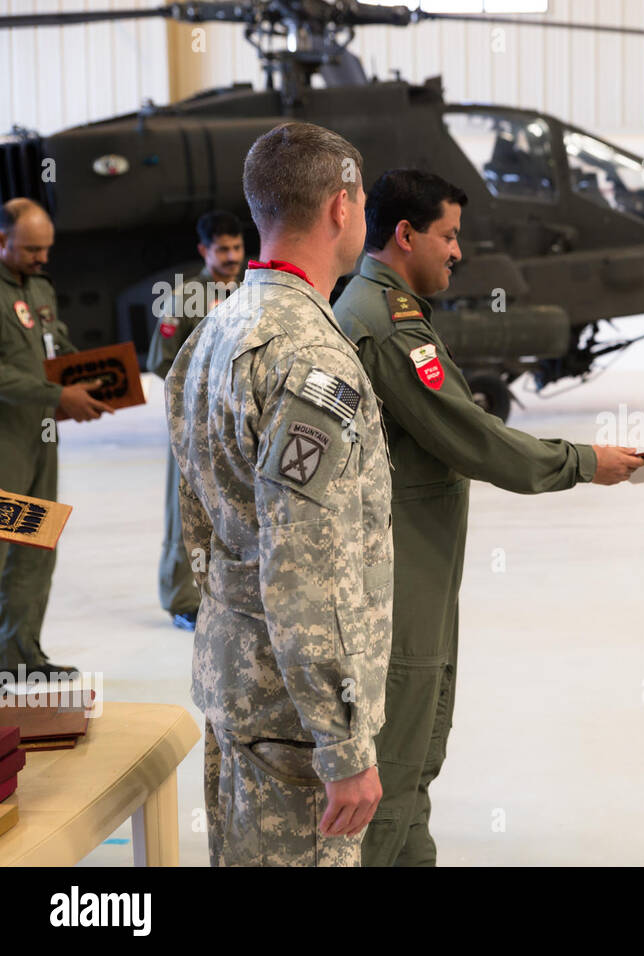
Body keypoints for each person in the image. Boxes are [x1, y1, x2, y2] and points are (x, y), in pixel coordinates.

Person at [332, 168, 644, 867]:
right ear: (405, 235)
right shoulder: (385, 325)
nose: (457, 252)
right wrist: (583, 461)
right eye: (448, 236)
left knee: (413, 775)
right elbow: (471, 438)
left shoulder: (383, 312)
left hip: (423, 577)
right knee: (393, 779)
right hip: (399, 586)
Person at [165, 123, 392, 867]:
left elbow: (196, 520)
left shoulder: (214, 332)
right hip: (296, 719)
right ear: (340, 208)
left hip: (239, 683)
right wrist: (343, 740)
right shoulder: (312, 357)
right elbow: (305, 566)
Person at [0, 198, 112, 680]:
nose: (42, 258)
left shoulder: (40, 289)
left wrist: (96, 377)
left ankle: (21, 657)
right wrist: (57, 393)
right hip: (4, 445)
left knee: (34, 549)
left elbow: (57, 346)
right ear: (1, 240)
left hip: (40, 440)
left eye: (46, 248)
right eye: (30, 249)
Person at [146, 210, 245, 631]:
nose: (232, 256)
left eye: (237, 247)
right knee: (184, 510)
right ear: (204, 250)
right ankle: (182, 599)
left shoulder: (250, 293)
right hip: (194, 424)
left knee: (235, 509)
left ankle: (226, 593)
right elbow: (160, 362)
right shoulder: (184, 297)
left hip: (239, 422)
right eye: (222, 248)